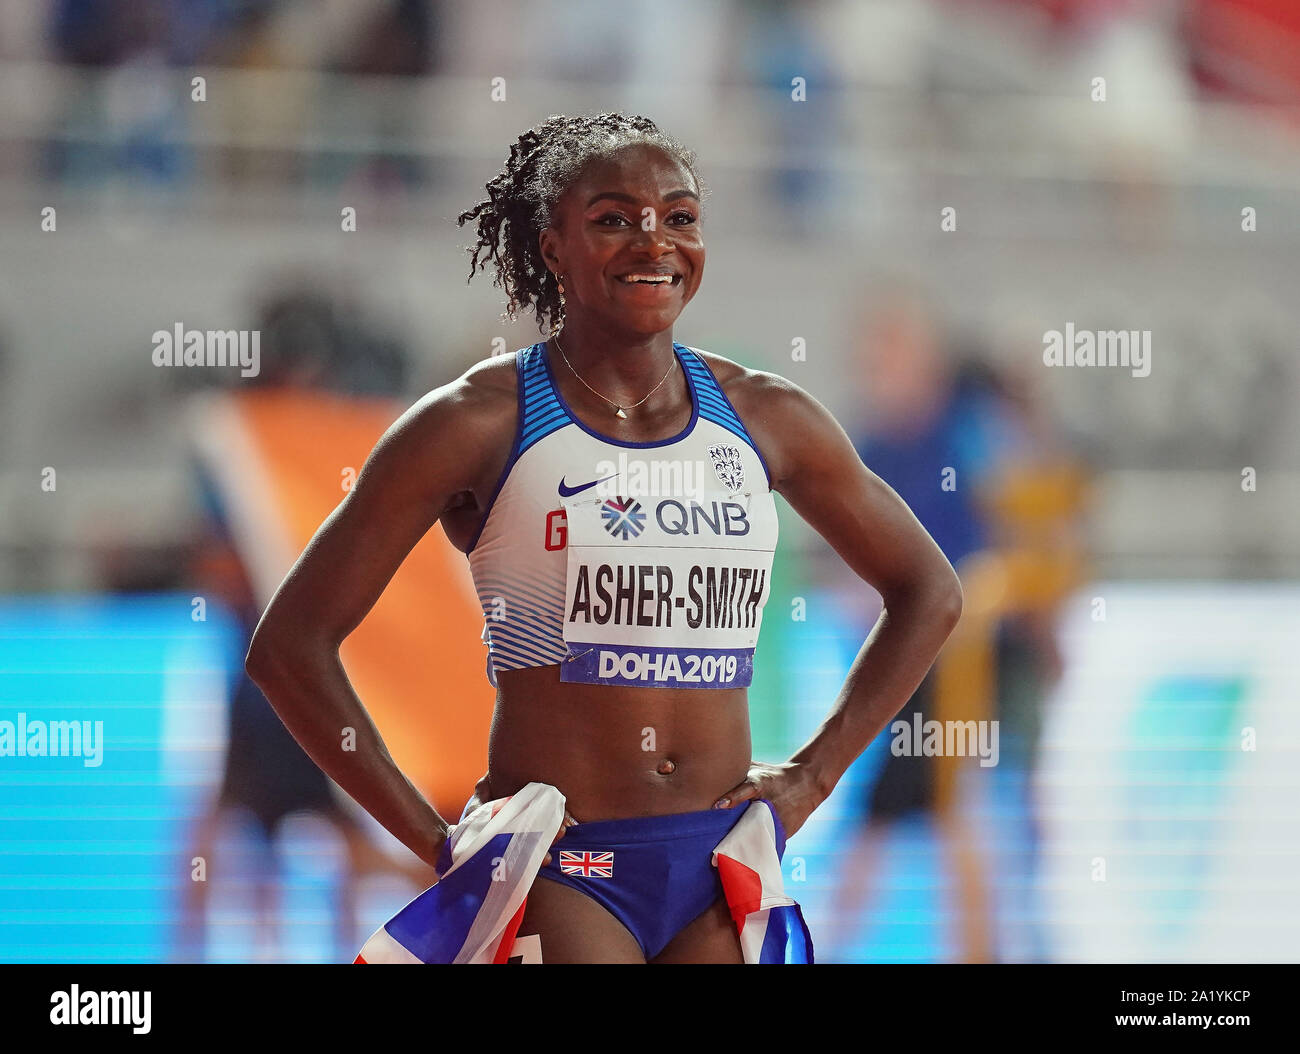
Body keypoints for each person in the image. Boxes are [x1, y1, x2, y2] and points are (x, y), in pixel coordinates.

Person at [245, 112, 963, 964]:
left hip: (717, 863)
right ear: (553, 248)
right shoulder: (476, 422)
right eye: (615, 218)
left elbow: (930, 591)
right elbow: (290, 645)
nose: (653, 241)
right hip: (563, 866)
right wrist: (435, 842)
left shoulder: (769, 418)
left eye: (680, 217)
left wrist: (810, 778)